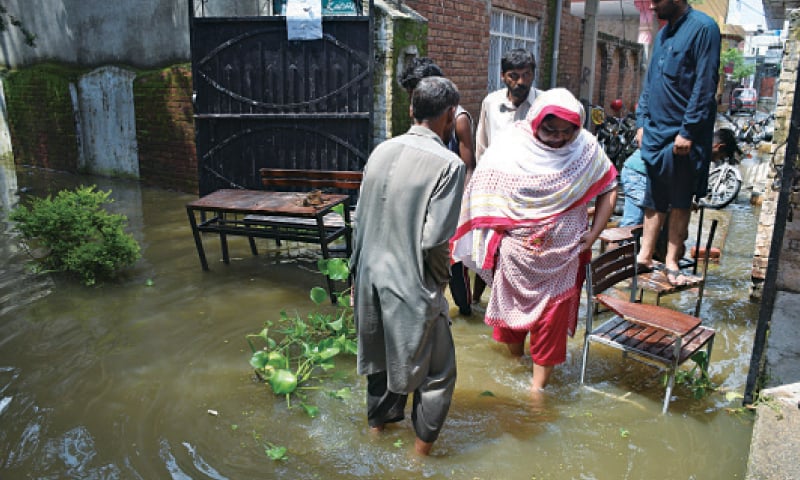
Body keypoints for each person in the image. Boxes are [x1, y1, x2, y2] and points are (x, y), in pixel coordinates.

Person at [452, 88, 618, 392]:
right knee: (511, 323)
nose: (557, 138)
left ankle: (536, 393)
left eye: (565, 132)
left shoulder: (585, 149)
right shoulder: (513, 145)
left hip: (563, 258)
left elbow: (609, 186)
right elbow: (482, 188)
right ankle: (516, 365)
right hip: (517, 256)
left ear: (577, 129)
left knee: (550, 326)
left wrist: (593, 235)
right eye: (549, 129)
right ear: (535, 121)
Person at [350, 76, 466, 456]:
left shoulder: (380, 151)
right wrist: (438, 286)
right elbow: (435, 239)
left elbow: (358, 219)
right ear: (450, 116)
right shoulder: (450, 164)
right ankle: (418, 461)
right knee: (438, 374)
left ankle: (374, 438)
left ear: (412, 110)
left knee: (381, 363)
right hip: (411, 281)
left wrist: (355, 274)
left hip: (368, 277)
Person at [634, 0, 721, 286]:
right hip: (656, 130)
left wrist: (689, 130)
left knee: (681, 199)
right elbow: (649, 84)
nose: (652, 4)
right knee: (653, 197)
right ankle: (645, 255)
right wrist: (642, 122)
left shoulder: (703, 29)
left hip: (682, 134)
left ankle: (671, 261)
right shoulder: (662, 34)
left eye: (657, 0)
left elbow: (705, 85)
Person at [399, 57, 477, 316]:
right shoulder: (420, 116)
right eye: (411, 95)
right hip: (424, 197)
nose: (413, 101)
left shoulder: (458, 120)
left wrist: (460, 210)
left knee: (455, 266)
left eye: (416, 93)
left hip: (452, 198)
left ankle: (466, 312)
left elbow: (468, 167)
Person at [472, 48, 543, 306]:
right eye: (515, 75)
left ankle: (517, 304)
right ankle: (477, 302)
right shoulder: (491, 103)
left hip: (532, 195)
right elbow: (482, 146)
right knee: (486, 249)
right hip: (496, 191)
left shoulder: (544, 105)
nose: (521, 82)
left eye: (527, 75)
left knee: (524, 254)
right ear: (503, 76)